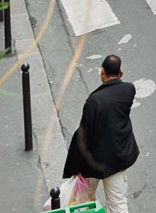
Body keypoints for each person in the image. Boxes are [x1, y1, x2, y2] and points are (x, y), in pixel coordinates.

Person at [62, 52, 139, 213]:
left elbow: (84, 134)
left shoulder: (94, 101)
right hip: (117, 158)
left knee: (83, 202)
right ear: (121, 73)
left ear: (102, 71)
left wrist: (75, 165)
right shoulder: (129, 90)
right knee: (117, 203)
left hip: (94, 162)